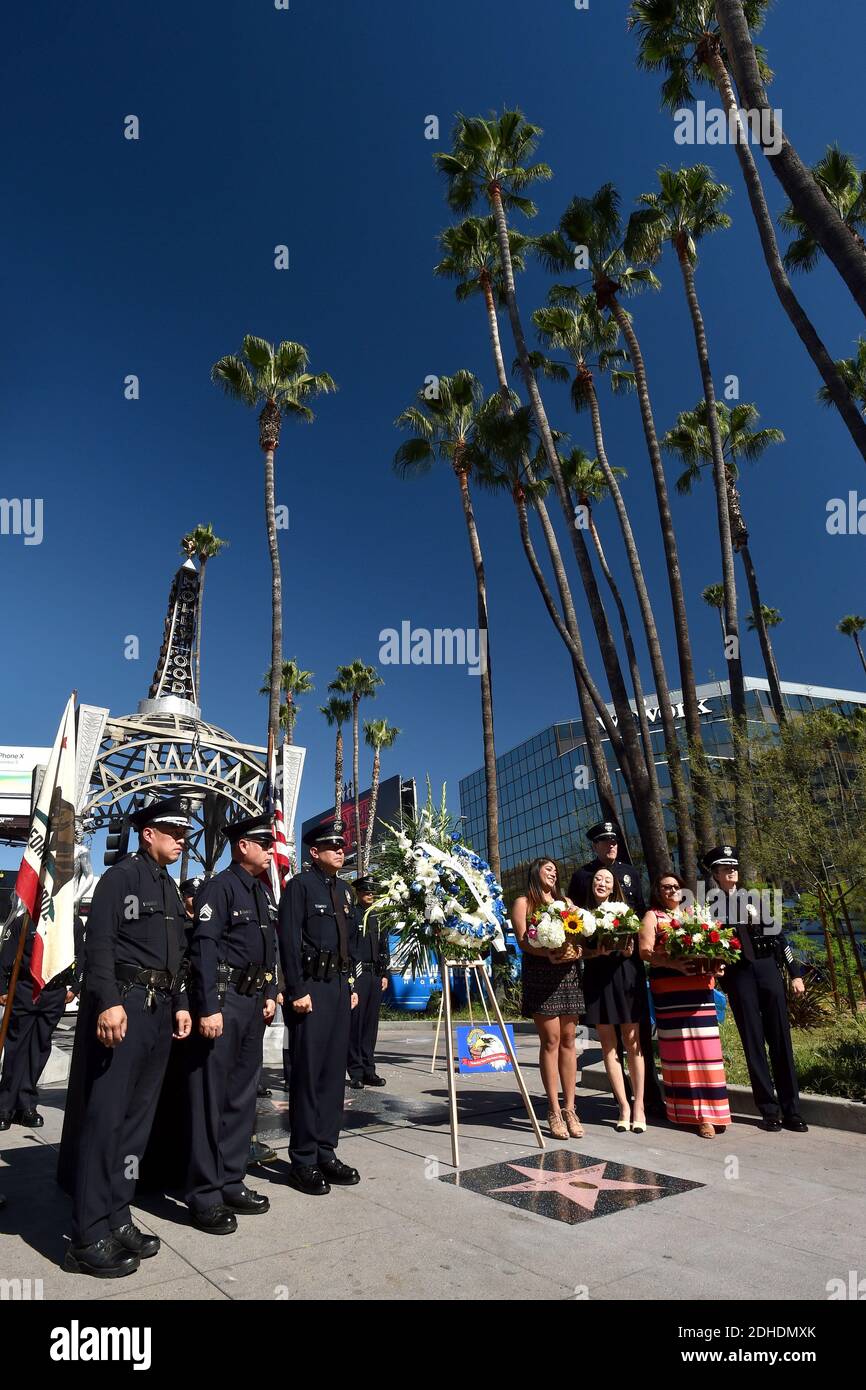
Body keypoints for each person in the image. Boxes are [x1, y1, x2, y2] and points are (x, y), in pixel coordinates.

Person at [61, 794, 193, 1278]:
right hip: (126, 1007)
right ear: (148, 834)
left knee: (137, 1125)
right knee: (107, 1121)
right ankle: (87, 1232)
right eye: (173, 831)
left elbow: (175, 956)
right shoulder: (121, 878)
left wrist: (180, 1004)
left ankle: (119, 1216)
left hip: (159, 1013)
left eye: (184, 833)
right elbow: (99, 942)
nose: (181, 839)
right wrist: (110, 1001)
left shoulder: (170, 890)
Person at [184, 815, 278, 1233]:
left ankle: (231, 1179)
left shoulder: (260, 893)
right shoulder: (219, 888)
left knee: (241, 1096)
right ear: (242, 846)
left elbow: (267, 947)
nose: (270, 847)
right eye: (263, 841)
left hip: (253, 1001)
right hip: (223, 1001)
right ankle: (204, 1193)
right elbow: (203, 949)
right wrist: (207, 1007)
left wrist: (272, 991)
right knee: (211, 1098)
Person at [278, 821, 359, 1196]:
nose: (340, 851)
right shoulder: (299, 886)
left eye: (342, 846)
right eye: (332, 846)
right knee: (308, 1075)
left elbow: (352, 942)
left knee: (332, 1074)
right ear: (314, 852)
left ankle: (327, 1150)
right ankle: (304, 1159)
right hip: (310, 988)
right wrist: (295, 988)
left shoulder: (344, 891)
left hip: (339, 988)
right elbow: (289, 940)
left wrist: (352, 985)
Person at [704, 845, 808, 1133]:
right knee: (753, 1041)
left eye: (734, 867)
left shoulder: (757, 899)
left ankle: (793, 1110)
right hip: (739, 976)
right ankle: (769, 1110)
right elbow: (710, 945)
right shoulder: (710, 907)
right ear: (715, 874)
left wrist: (795, 974)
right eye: (725, 868)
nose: (732, 871)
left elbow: (781, 938)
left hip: (766, 970)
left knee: (780, 1040)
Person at [569, 822, 664, 1118]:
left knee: (637, 1039)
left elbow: (640, 911)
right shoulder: (583, 875)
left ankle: (648, 1100)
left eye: (614, 841)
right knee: (609, 1038)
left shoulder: (631, 872)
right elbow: (574, 914)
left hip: (627, 964)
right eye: (605, 841)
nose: (611, 845)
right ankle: (621, 1100)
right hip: (598, 964)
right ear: (594, 846)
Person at [639, 873, 731, 1139]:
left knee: (707, 1051)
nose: (671, 890)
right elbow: (644, 952)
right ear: (657, 890)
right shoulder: (652, 917)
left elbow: (714, 944)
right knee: (681, 1054)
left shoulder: (695, 914)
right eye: (666, 886)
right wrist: (671, 963)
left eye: (676, 886)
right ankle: (691, 1115)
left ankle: (714, 1111)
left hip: (699, 991)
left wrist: (717, 963)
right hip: (669, 993)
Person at [512, 857, 584, 1141]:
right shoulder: (523, 902)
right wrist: (548, 953)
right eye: (547, 869)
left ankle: (570, 1109)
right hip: (541, 975)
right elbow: (522, 941)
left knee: (569, 1040)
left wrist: (576, 951)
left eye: (555, 870)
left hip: (568, 975)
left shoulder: (566, 903)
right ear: (535, 873)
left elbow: (579, 933)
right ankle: (553, 1110)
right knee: (551, 1040)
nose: (553, 873)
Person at [582, 867, 647, 1133]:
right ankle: (623, 1106)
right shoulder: (581, 916)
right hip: (598, 980)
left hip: (624, 976)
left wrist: (628, 947)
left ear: (614, 887)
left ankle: (640, 1105)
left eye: (607, 880)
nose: (602, 883)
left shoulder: (625, 912)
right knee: (608, 1046)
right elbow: (579, 953)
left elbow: (635, 946)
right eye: (598, 878)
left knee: (633, 1044)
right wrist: (593, 953)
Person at [0, 912, 77, 1130]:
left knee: (39, 1051)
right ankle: (5, 1104)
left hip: (54, 993)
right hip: (25, 989)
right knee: (15, 1049)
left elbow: (81, 955)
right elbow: (6, 956)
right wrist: (2, 988)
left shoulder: (71, 922)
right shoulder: (23, 921)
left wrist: (74, 987)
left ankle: (26, 1105)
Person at [347, 875, 390, 1089]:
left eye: (373, 891)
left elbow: (384, 947)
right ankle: (355, 1071)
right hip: (359, 973)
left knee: (371, 1026)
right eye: (366, 891)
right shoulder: (352, 915)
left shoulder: (378, 917)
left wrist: (385, 975)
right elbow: (348, 948)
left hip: (375, 975)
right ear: (358, 893)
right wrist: (350, 980)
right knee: (356, 1024)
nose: (370, 895)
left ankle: (368, 1069)